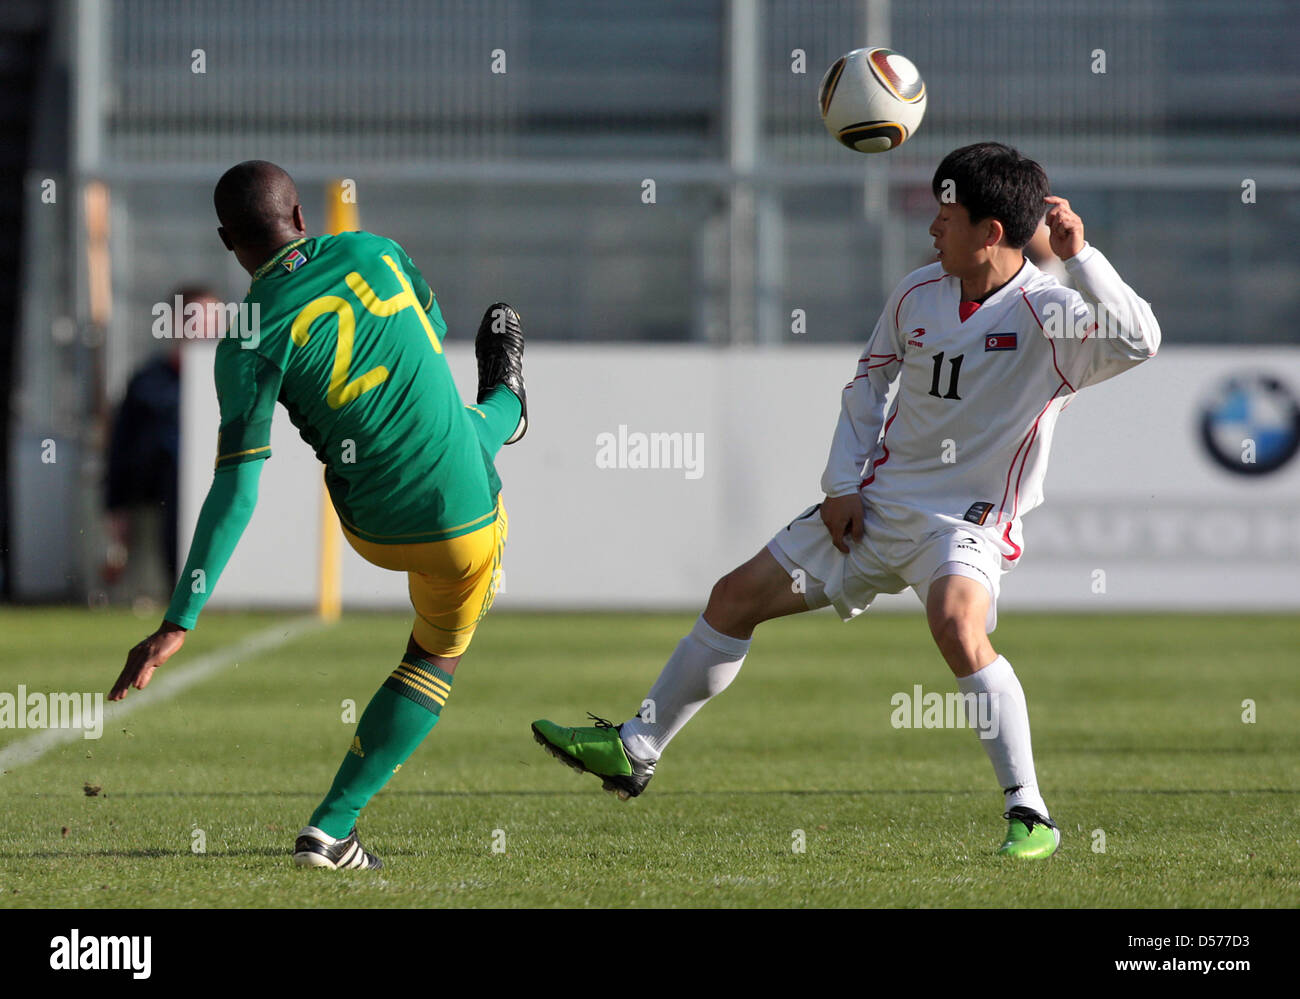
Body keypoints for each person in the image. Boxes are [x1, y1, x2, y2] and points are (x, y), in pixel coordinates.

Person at [532, 142, 1160, 860]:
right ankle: (636, 746)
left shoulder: (1054, 315)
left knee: (956, 623)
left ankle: (1031, 812)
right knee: (732, 598)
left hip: (968, 521)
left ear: (991, 231)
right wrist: (842, 485)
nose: (933, 227)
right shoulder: (917, 292)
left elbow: (1140, 340)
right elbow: (869, 383)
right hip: (878, 505)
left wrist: (1082, 256)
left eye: (947, 215)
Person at [109, 160, 527, 870]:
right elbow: (430, 331)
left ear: (227, 242)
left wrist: (178, 621)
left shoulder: (243, 341)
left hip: (368, 525)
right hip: (463, 521)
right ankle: (331, 829)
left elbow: (236, 490)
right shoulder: (376, 250)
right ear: (301, 216)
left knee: (448, 435)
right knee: (435, 653)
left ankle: (504, 406)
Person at [103, 284, 222, 601]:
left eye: (212, 319)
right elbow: (122, 448)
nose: (205, 328)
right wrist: (116, 507)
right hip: (155, 504)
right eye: (195, 318)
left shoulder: (235, 376)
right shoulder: (148, 382)